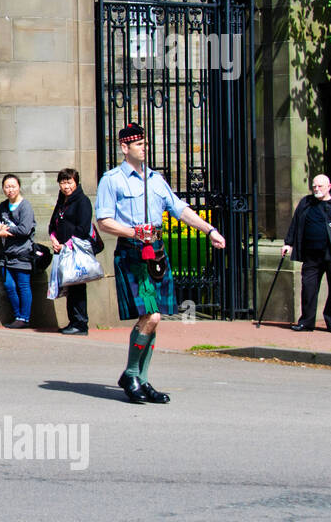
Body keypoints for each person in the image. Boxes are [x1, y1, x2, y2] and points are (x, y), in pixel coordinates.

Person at [96, 122, 227, 404]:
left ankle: (140, 379)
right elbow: (103, 221)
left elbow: (180, 209)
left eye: (145, 143)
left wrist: (210, 230)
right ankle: (131, 373)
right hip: (133, 250)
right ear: (124, 147)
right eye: (139, 144)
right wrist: (134, 232)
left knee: (154, 320)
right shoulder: (112, 180)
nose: (145, 148)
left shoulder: (155, 179)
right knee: (152, 316)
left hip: (156, 250)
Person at [281, 174, 331, 333]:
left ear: (329, 187)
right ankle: (306, 322)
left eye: (320, 186)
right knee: (308, 288)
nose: (316, 189)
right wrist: (288, 243)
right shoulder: (306, 203)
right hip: (311, 255)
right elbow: (295, 223)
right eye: (314, 186)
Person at [49, 167, 94, 335]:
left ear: (76, 182)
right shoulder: (62, 201)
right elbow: (53, 223)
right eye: (62, 182)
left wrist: (66, 244)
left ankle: (81, 323)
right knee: (69, 287)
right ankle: (73, 321)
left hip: (75, 251)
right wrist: (54, 238)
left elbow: (83, 229)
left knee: (78, 287)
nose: (66, 186)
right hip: (62, 251)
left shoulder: (82, 201)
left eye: (69, 182)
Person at [0, 174, 35, 328]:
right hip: (7, 255)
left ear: (19, 187)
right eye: (7, 187)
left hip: (22, 253)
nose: (10, 190)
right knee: (9, 285)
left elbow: (25, 229)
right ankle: (18, 315)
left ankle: (25, 318)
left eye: (13, 186)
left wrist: (6, 229)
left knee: (23, 285)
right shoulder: (3, 206)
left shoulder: (25, 206)